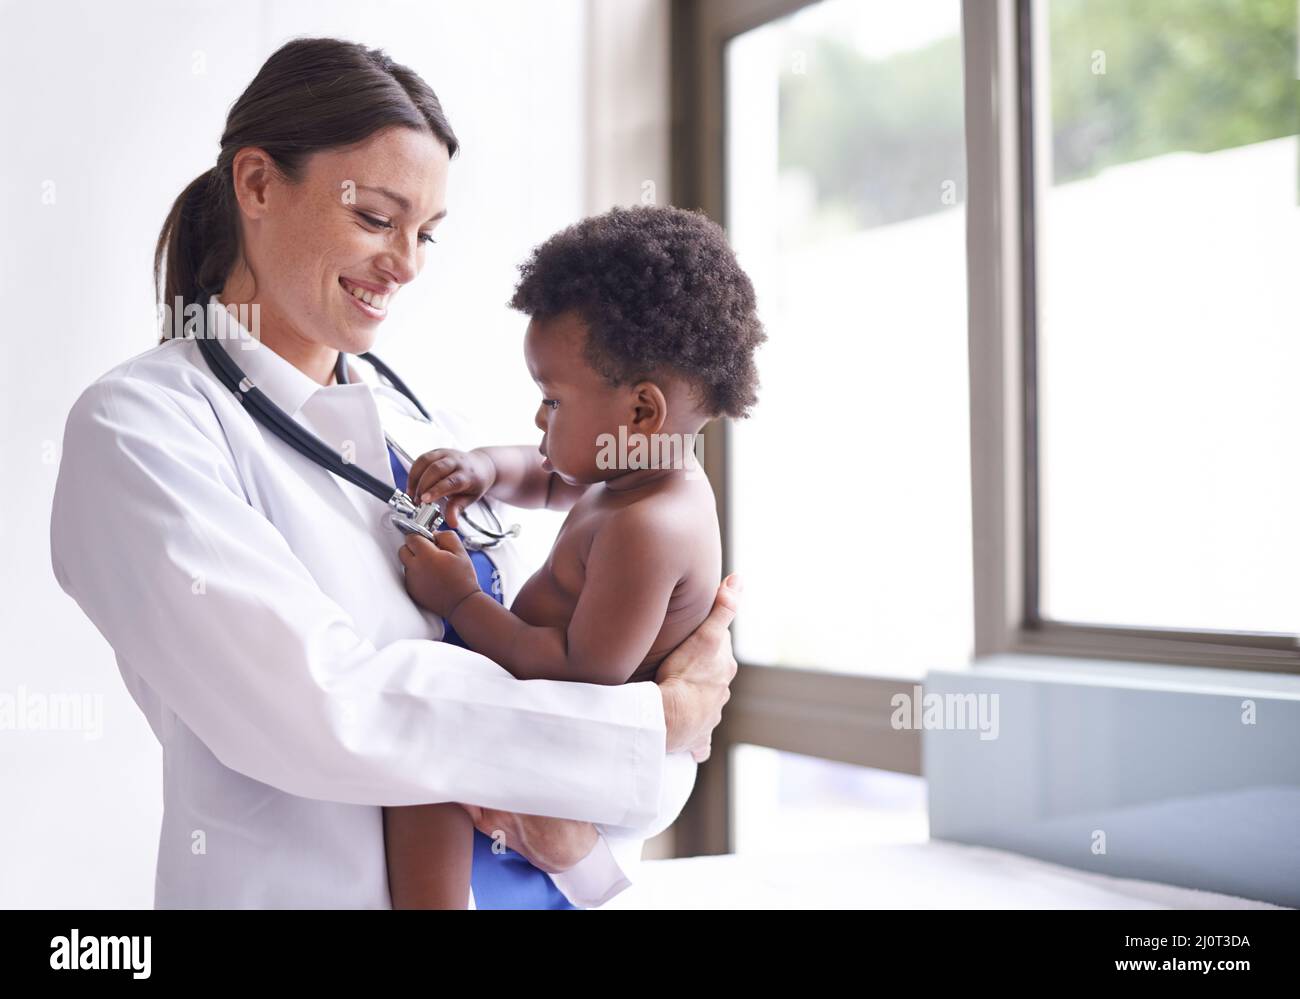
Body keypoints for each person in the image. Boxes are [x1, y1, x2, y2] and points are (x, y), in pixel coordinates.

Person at [48, 37, 740, 909]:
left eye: (426, 234)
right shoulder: (140, 429)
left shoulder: (424, 425)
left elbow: (623, 713)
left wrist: (629, 769)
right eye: (376, 218)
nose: (406, 264)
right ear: (257, 184)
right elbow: (326, 707)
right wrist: (649, 725)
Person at [383, 205, 765, 908]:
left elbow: (579, 669)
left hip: (599, 745)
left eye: (551, 400)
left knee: (425, 774)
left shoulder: (650, 525)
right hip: (586, 726)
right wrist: (484, 469)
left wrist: (460, 599)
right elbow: (550, 475)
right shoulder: (637, 470)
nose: (539, 420)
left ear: (642, 413)